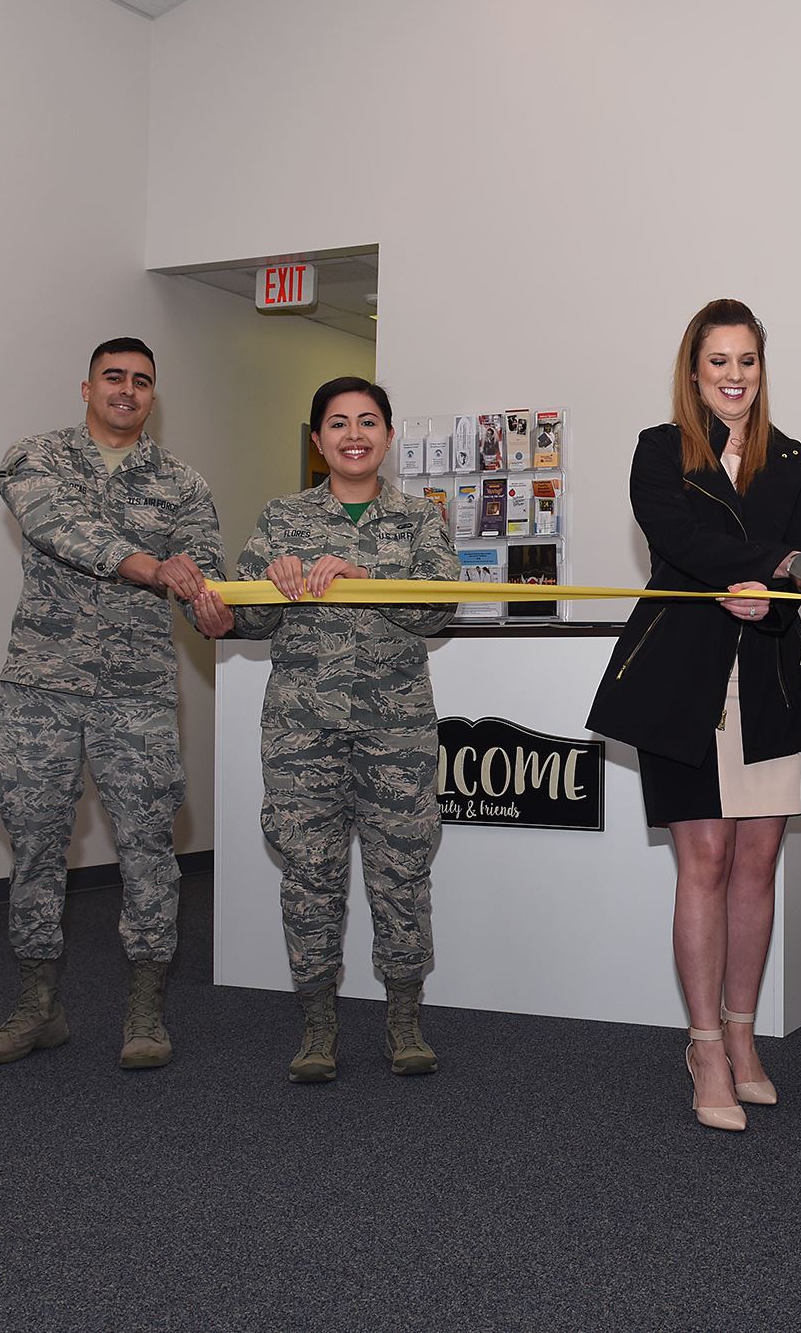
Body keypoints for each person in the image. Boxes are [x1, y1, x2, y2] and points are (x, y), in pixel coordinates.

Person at [586, 300, 801, 1132]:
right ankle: (703, 1048)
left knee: (758, 864)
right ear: (694, 373)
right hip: (685, 678)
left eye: (747, 362)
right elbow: (685, 544)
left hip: (769, 680)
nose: (734, 377)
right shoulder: (660, 451)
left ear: (763, 369)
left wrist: (780, 590)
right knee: (708, 863)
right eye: (718, 362)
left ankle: (742, 1035)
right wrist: (782, 565)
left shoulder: (794, 459)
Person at [0, 338, 224, 1070]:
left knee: (149, 849)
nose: (127, 390)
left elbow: (199, 573)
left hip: (136, 694)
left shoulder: (182, 484)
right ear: (85, 387)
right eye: (114, 377)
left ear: (153, 396)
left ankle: (144, 1010)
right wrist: (149, 566)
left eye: (142, 381)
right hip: (40, 689)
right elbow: (57, 526)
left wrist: (211, 609)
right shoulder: (36, 456)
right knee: (34, 846)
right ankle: (34, 1007)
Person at [196, 377, 458, 1082]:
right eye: (337, 423)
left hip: (395, 729)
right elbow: (243, 618)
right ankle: (317, 1027)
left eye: (368, 421)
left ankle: (404, 1021)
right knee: (309, 873)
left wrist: (361, 571)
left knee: (402, 872)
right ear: (317, 441)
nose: (353, 434)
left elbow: (438, 610)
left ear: (389, 435)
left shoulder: (420, 520)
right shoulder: (282, 518)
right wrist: (270, 583)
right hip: (302, 729)